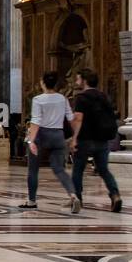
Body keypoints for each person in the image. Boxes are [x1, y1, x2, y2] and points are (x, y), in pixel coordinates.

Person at [23, 71, 80, 213]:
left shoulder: (38, 99)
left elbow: (35, 121)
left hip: (42, 134)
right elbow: (71, 119)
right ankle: (73, 194)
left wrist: (31, 141)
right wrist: (75, 138)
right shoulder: (62, 99)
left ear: (43, 83)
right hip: (58, 135)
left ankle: (31, 200)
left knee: (33, 170)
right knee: (59, 169)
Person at [70, 69, 123, 212]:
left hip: (85, 139)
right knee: (104, 170)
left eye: (78, 78)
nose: (77, 81)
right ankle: (115, 194)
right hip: (102, 140)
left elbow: (78, 118)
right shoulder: (104, 96)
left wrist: (74, 138)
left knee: (78, 170)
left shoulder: (81, 98)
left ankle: (77, 199)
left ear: (84, 80)